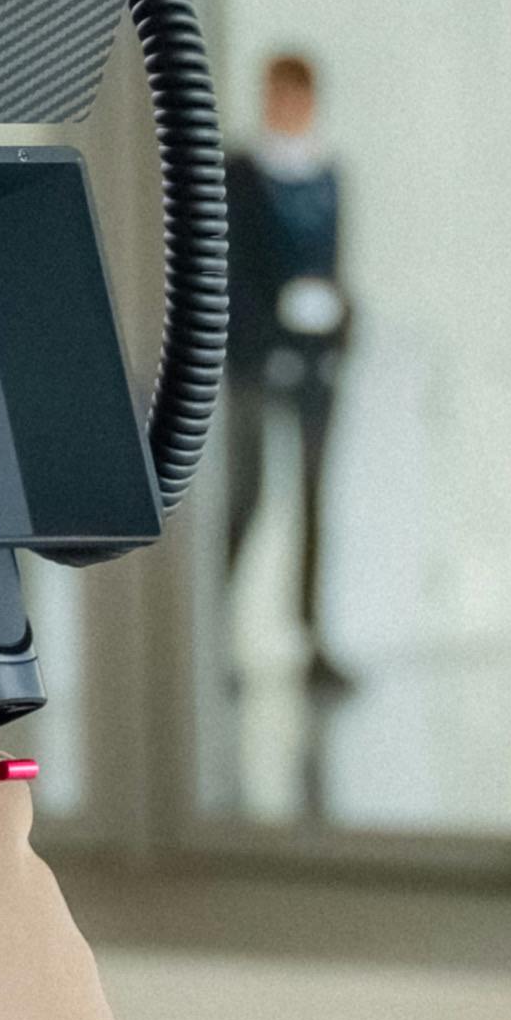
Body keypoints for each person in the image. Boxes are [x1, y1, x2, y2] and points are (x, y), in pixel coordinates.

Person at [223, 46, 352, 694]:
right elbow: (233, 271)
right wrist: (266, 331)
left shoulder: (328, 172)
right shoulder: (241, 173)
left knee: (311, 498)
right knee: (246, 496)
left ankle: (310, 637)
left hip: (314, 358)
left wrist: (335, 325)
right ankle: (216, 635)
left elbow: (336, 262)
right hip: (253, 359)